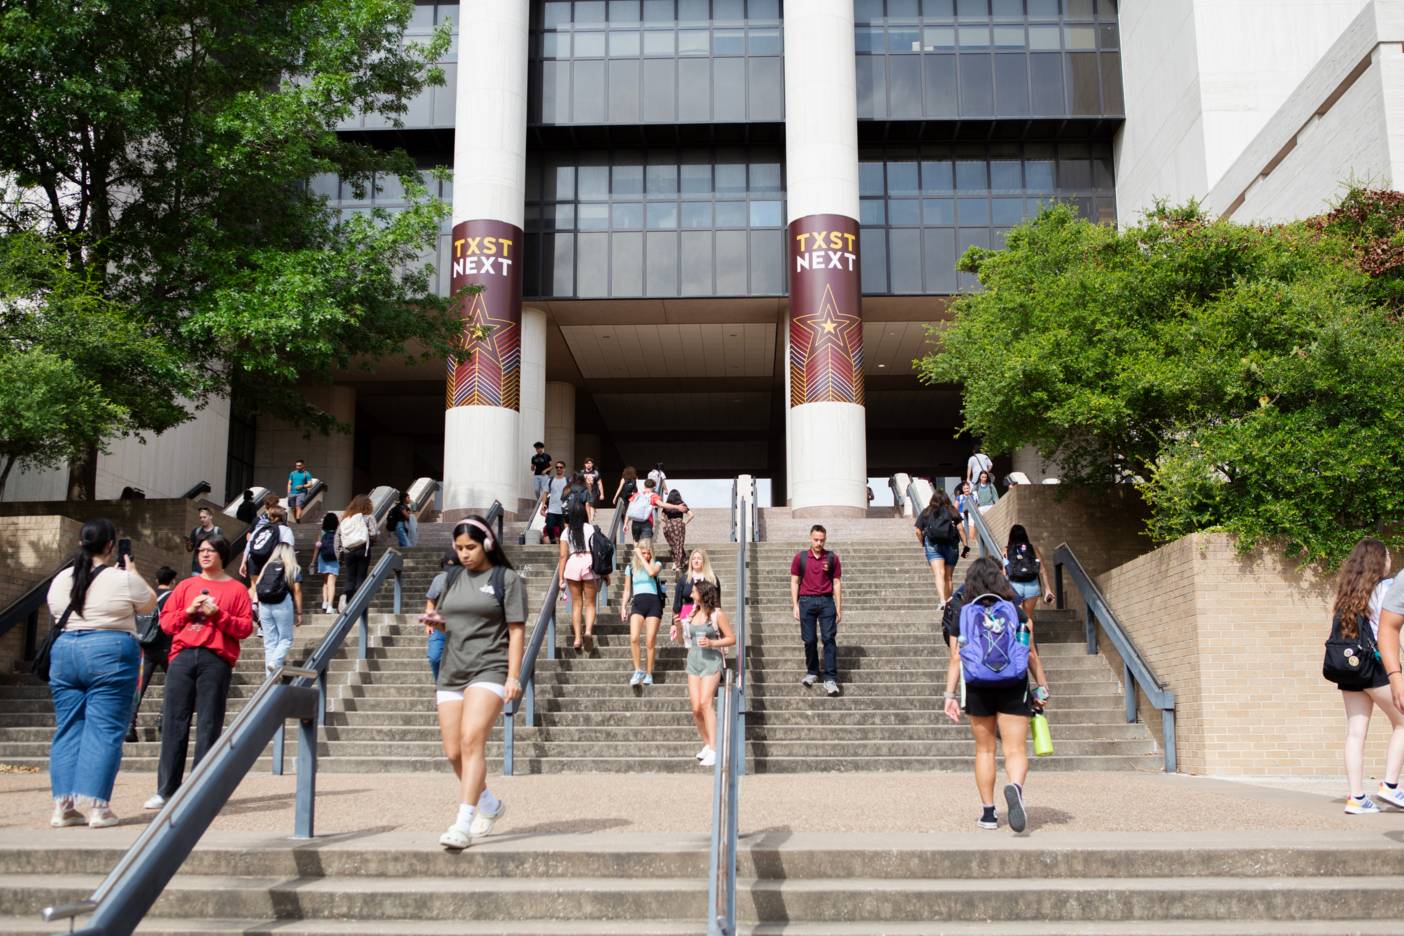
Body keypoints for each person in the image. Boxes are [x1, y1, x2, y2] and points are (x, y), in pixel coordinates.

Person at [419, 518, 526, 850]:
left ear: (487, 545)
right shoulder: (451, 578)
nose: (464, 554)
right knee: (453, 752)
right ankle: (489, 804)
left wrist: (513, 676)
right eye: (459, 548)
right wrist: (436, 622)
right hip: (452, 669)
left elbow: (516, 631)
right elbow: (450, 620)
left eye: (470, 547)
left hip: (489, 667)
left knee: (471, 741)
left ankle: (463, 823)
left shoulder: (505, 579)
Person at [45, 519, 157, 828]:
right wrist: (132, 570)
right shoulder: (122, 579)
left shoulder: (61, 579)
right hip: (110, 650)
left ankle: (63, 807)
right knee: (105, 729)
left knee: (68, 728)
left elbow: (55, 611)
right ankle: (99, 808)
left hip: (65, 651)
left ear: (80, 544)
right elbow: (149, 603)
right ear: (110, 546)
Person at [942, 556, 1050, 833]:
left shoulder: (964, 610)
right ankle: (1014, 787)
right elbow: (1030, 653)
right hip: (1014, 683)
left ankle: (989, 814)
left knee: (985, 750)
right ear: (1001, 579)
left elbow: (956, 657)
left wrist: (949, 695)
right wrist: (1042, 686)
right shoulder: (1014, 609)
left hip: (978, 685)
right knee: (1015, 749)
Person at [146, 534, 253, 809]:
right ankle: (166, 789)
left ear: (222, 554)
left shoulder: (237, 589)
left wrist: (219, 615)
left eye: (210, 550)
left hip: (216, 658)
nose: (204, 554)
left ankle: (200, 788)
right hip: (182, 656)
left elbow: (245, 628)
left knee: (209, 723)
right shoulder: (185, 586)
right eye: (201, 550)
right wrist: (188, 611)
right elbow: (166, 624)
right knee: (174, 721)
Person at [1329, 537, 1404, 813]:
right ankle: (1391, 785)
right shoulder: (1388, 588)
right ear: (1378, 561)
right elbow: (1392, 630)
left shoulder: (1348, 592)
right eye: (1387, 556)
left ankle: (1357, 798)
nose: (1390, 560)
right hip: (1375, 667)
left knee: (1355, 733)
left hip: (1349, 668)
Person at [681, 581, 736, 768]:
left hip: (711, 661)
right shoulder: (691, 612)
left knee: (706, 702)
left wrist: (713, 643)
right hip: (693, 660)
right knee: (696, 707)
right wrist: (678, 627)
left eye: (694, 592)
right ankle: (706, 743)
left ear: (703, 593)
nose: (691, 595)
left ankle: (715, 748)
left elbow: (731, 638)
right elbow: (683, 640)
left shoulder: (717, 614)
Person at [790, 525, 843, 697]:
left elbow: (836, 583)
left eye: (822, 540)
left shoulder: (832, 558)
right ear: (810, 538)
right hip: (806, 601)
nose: (819, 543)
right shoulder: (800, 558)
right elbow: (795, 582)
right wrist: (795, 605)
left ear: (825, 539)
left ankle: (830, 678)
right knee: (809, 639)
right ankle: (812, 671)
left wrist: (839, 607)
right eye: (816, 540)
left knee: (829, 639)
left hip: (827, 601)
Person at [128, 565, 178, 743]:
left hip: (146, 646)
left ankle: (129, 726)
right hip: (167, 646)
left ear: (157, 580)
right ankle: (163, 719)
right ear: (173, 581)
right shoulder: (173, 596)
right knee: (173, 684)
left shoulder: (147, 595)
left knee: (138, 688)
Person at [619, 538, 664, 687]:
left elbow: (651, 572)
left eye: (648, 553)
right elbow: (627, 590)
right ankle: (638, 670)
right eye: (643, 552)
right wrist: (623, 606)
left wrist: (640, 556)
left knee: (650, 641)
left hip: (653, 603)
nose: (645, 555)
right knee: (634, 637)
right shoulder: (630, 568)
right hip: (638, 603)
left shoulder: (657, 564)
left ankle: (649, 673)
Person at [558, 501, 600, 653]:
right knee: (590, 603)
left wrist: (560, 578)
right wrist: (605, 573)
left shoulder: (566, 532)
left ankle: (577, 638)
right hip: (589, 563)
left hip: (573, 564)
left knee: (576, 604)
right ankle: (588, 631)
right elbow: (598, 551)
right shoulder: (591, 529)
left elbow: (563, 556)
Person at [255, 542, 302, 676]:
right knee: (286, 639)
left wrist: (257, 608)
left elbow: (257, 585)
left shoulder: (267, 566)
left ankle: (270, 679)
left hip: (264, 604)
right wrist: (299, 612)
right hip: (282, 603)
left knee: (270, 642)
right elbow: (297, 591)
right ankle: (275, 663)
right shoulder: (292, 567)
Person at [915, 490, 967, 608]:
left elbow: (917, 531)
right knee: (948, 577)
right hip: (951, 545)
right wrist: (966, 546)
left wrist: (923, 542)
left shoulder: (927, 511)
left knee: (939, 574)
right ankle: (949, 604)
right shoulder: (952, 510)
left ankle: (942, 601)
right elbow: (960, 529)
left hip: (933, 545)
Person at [1003, 525, 1055, 627]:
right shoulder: (1033, 549)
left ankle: (1019, 637)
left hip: (1015, 586)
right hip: (1032, 585)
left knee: (1017, 619)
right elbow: (1043, 570)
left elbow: (1005, 572)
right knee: (1028, 619)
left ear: (1011, 536)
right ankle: (1030, 638)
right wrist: (1048, 589)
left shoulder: (1006, 550)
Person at [671, 550, 723, 648]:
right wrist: (673, 624)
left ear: (704, 561)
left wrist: (718, 620)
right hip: (687, 612)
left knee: (706, 643)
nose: (696, 561)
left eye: (699, 558)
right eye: (693, 559)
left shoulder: (712, 578)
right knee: (690, 645)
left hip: (707, 613)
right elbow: (677, 603)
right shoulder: (684, 579)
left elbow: (717, 602)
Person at [334, 495, 378, 609]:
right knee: (361, 577)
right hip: (363, 550)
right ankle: (358, 604)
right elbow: (373, 533)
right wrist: (370, 540)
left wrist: (339, 556)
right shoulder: (368, 517)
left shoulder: (346, 519)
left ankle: (344, 598)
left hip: (348, 551)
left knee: (350, 578)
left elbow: (337, 538)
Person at [423, 551, 459, 682]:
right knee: (434, 657)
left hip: (460, 627)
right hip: (439, 625)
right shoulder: (439, 579)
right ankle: (440, 685)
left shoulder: (468, 580)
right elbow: (431, 601)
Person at [312, 512, 340, 614]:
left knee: (325, 582)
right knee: (331, 583)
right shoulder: (338, 532)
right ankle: (330, 606)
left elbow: (317, 547)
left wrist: (313, 561)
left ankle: (324, 603)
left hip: (323, 558)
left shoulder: (322, 533)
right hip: (334, 559)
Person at [660, 489, 694, 572]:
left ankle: (681, 561)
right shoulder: (682, 504)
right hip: (679, 525)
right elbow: (691, 515)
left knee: (674, 545)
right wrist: (685, 522)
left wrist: (668, 522)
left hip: (669, 525)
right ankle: (677, 564)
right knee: (679, 544)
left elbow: (662, 517)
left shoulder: (667, 505)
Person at [625, 477, 664, 544]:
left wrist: (626, 523)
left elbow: (629, 510)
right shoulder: (653, 496)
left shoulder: (636, 495)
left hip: (635, 522)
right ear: (654, 487)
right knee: (646, 544)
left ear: (644, 486)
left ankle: (636, 550)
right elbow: (662, 504)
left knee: (636, 543)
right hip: (647, 522)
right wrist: (676, 507)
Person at [185, 507, 223, 574]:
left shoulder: (217, 531)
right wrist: (188, 543)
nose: (202, 519)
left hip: (211, 568)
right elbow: (189, 549)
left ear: (210, 516)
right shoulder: (196, 531)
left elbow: (220, 550)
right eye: (200, 518)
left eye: (204, 517)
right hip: (197, 568)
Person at [540, 461, 569, 544]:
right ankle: (552, 541)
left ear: (564, 469)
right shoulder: (550, 480)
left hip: (563, 510)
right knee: (549, 527)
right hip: (552, 510)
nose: (558, 469)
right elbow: (545, 493)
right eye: (557, 467)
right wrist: (543, 505)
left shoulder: (567, 480)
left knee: (563, 530)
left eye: (561, 467)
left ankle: (562, 545)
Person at [955, 480, 977, 558]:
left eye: (967, 488)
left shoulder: (973, 496)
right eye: (965, 488)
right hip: (962, 517)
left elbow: (977, 505)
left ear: (969, 488)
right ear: (962, 489)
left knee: (971, 535)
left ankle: (971, 552)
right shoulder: (959, 497)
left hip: (971, 515)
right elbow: (955, 508)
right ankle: (965, 552)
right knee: (964, 535)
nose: (966, 490)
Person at [287, 459, 313, 523]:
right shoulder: (292, 473)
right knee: (293, 508)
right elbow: (289, 483)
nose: (298, 467)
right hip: (292, 492)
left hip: (301, 493)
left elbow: (310, 484)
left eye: (299, 465)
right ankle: (296, 520)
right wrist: (288, 492)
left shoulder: (306, 474)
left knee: (298, 506)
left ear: (303, 465)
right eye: (297, 465)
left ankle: (298, 519)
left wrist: (302, 486)